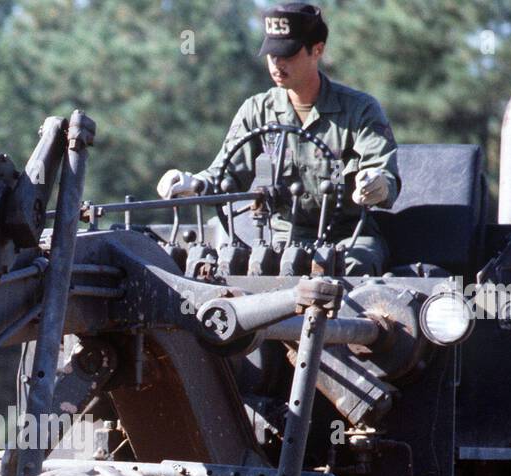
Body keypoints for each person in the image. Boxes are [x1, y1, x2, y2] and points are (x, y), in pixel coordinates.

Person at [156, 3, 401, 275]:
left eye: (288, 54)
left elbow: (384, 176)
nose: (277, 64)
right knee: (252, 273)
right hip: (283, 239)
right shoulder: (257, 111)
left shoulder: (359, 110)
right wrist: (193, 184)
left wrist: (376, 184)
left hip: (349, 237)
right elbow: (226, 175)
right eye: (272, 55)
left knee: (352, 271)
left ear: (317, 50)